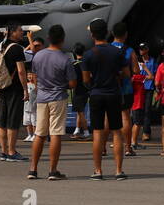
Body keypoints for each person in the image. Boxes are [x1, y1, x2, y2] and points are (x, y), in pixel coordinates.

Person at [81, 18, 129, 179]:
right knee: (116, 132)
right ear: (107, 33)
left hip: (96, 94)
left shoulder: (88, 55)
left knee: (97, 132)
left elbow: (86, 80)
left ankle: (98, 170)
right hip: (114, 94)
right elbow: (127, 73)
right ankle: (118, 170)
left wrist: (94, 83)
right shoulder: (117, 52)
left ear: (92, 34)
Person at [27, 24, 75, 180]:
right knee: (55, 133)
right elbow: (72, 83)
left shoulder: (38, 56)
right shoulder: (65, 58)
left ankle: (33, 169)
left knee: (39, 133)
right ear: (62, 39)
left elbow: (33, 77)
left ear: (48, 38)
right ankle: (53, 170)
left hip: (42, 97)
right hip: (58, 97)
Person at [0, 26, 29, 163]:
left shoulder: (2, 46)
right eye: (19, 30)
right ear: (13, 32)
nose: (22, 33)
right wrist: (25, 89)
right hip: (14, 88)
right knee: (13, 121)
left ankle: (4, 151)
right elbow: (20, 71)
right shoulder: (17, 48)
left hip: (2, 87)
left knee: (2, 121)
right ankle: (12, 151)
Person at [111, 22, 141, 155]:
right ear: (126, 35)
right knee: (126, 117)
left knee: (108, 117)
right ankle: (128, 147)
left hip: (110, 87)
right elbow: (136, 70)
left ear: (113, 34)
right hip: (126, 88)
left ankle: (104, 148)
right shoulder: (129, 50)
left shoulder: (108, 48)